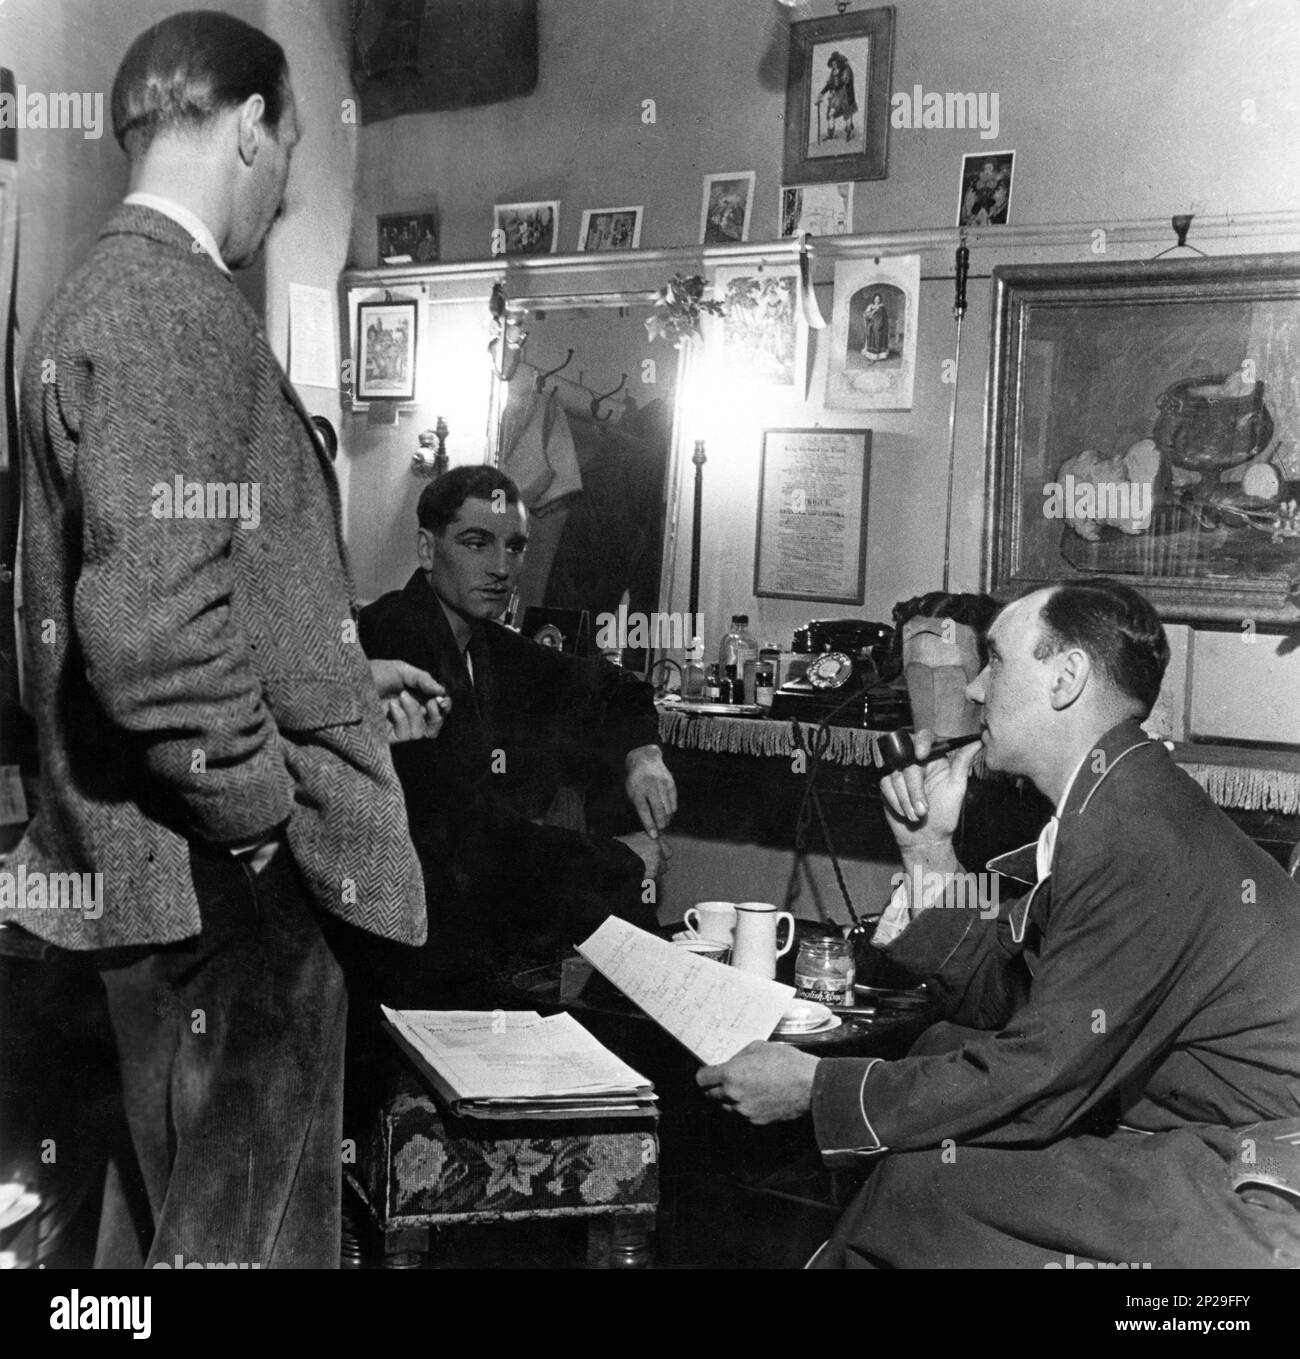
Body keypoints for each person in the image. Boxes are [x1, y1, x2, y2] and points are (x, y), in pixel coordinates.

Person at [2, 11, 448, 1269]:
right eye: (288, 154)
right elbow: (145, 631)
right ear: (251, 127)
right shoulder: (177, 306)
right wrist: (258, 824)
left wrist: (335, 664)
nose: (277, 200)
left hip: (142, 868)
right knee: (248, 1250)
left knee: (159, 1246)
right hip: (220, 875)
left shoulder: (91, 297)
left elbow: (170, 584)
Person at [699, 578, 1300, 1268]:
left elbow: (1037, 1075)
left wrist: (816, 1090)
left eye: (996, 660)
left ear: (1066, 678)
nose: (976, 688)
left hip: (1259, 1168)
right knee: (935, 1043)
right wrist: (928, 850)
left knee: (923, 1181)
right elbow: (1005, 997)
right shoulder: (1117, 798)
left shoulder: (1139, 835)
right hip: (1191, 1114)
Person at [354, 465, 676, 1003]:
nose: (502, 568)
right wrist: (617, 859)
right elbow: (459, 828)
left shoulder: (485, 642)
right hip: (397, 932)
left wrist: (643, 755)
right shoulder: (398, 636)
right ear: (428, 551)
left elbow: (609, 687)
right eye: (477, 543)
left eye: (515, 547)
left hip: (463, 914)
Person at [861, 292, 890, 362]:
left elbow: (884, 317)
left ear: (880, 300)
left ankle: (879, 355)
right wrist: (870, 315)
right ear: (874, 299)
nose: (877, 300)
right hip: (871, 325)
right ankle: (871, 355)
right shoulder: (870, 306)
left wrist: (879, 324)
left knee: (878, 333)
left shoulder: (882, 307)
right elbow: (865, 315)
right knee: (871, 331)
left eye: (878, 299)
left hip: (880, 326)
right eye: (876, 299)